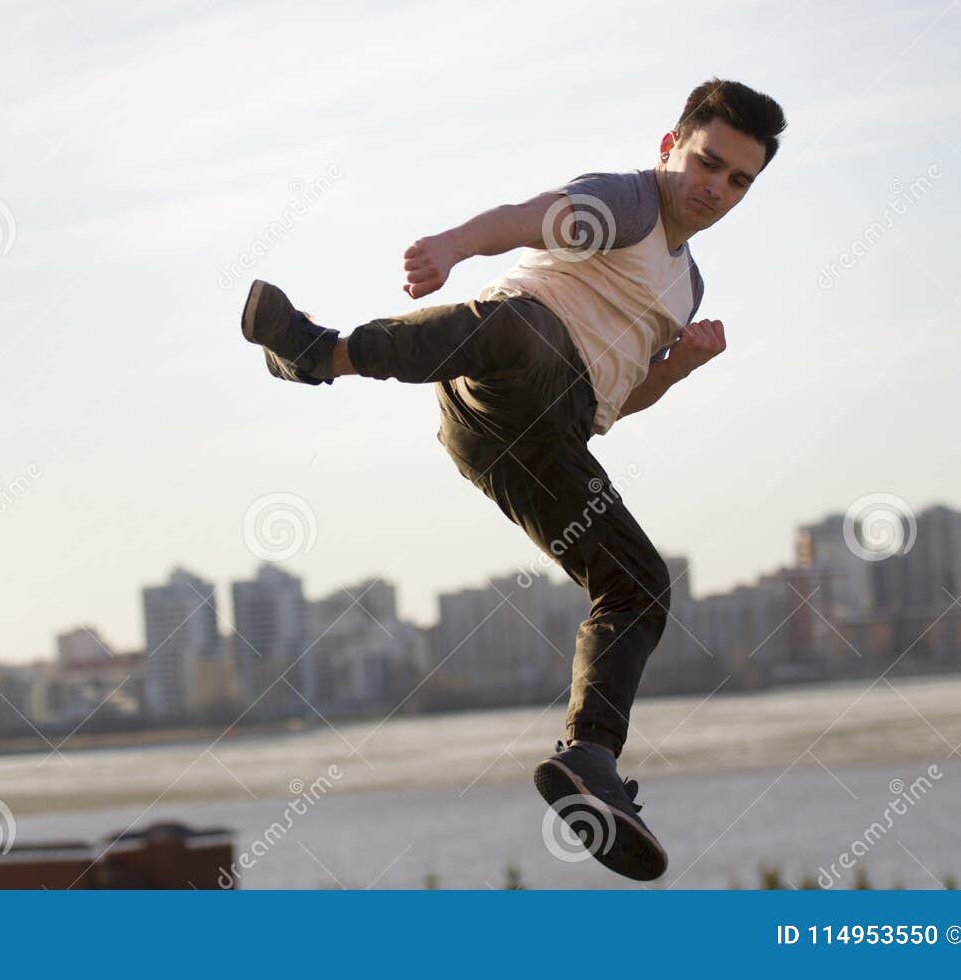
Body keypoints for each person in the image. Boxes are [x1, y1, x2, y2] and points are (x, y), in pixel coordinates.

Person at [239, 78, 786, 881]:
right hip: (499, 374)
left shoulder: (688, 286)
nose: (718, 190)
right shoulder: (626, 205)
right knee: (524, 330)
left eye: (740, 181)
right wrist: (454, 246)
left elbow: (618, 398)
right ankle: (322, 352)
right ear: (671, 146)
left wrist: (676, 369)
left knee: (640, 581)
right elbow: (527, 217)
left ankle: (590, 759)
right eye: (708, 163)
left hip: (548, 437)